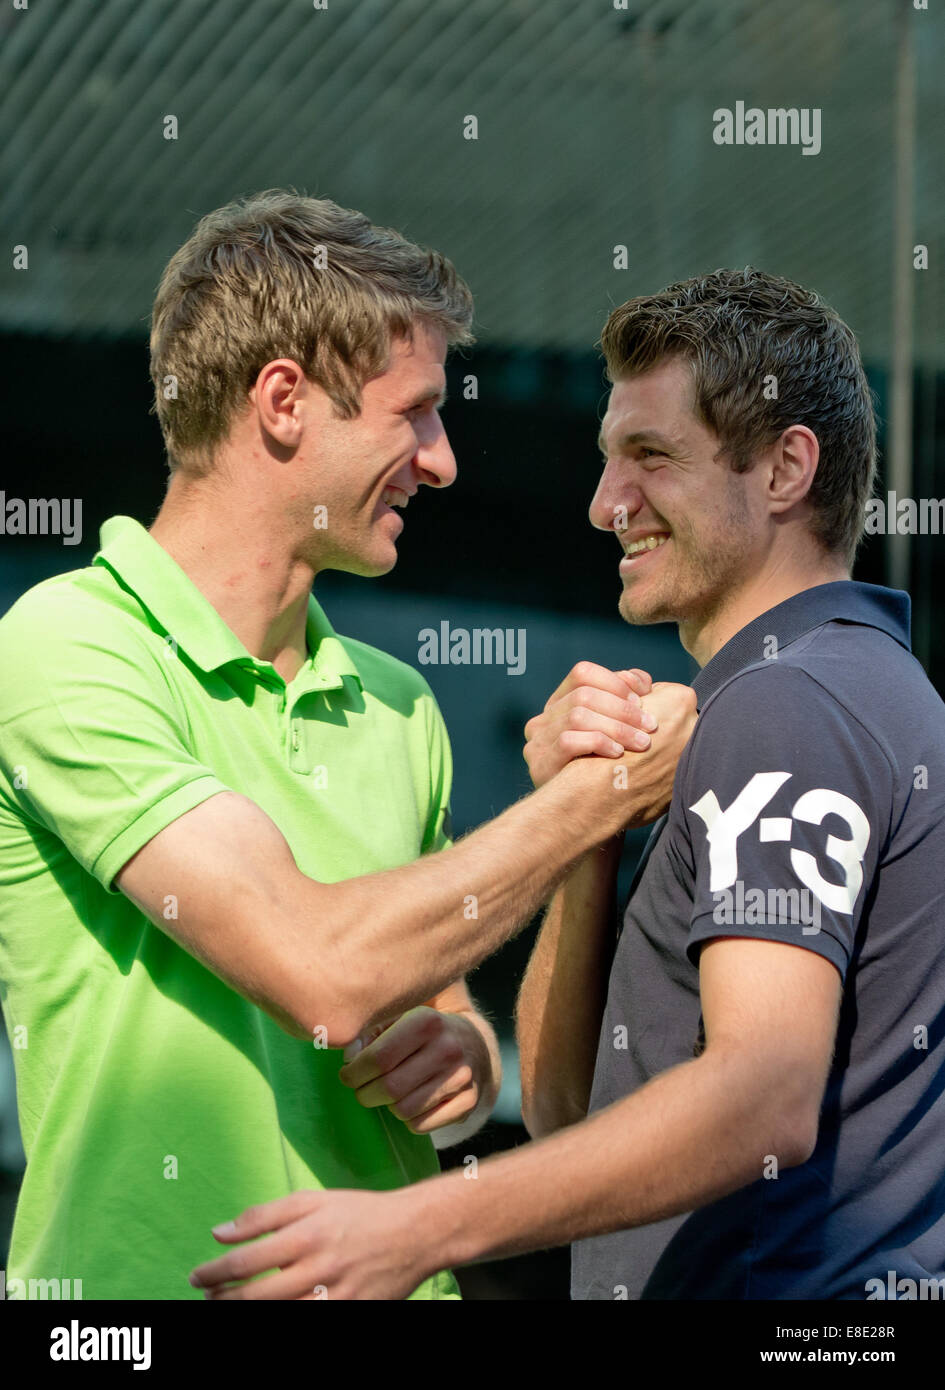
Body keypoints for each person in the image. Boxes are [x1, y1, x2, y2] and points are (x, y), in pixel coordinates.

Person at [189, 267, 945, 1302]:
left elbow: (765, 1089)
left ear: (784, 469)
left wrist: (417, 1226)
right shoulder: (840, 693)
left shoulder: (788, 708)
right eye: (606, 460)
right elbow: (571, 1107)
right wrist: (594, 819)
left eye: (649, 456)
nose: (604, 505)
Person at [0, 190, 695, 1300]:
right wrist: (594, 800)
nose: (445, 460)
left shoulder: (399, 702)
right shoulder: (65, 647)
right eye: (415, 413)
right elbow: (322, 972)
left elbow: (440, 1004)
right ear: (283, 402)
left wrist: (461, 1056)